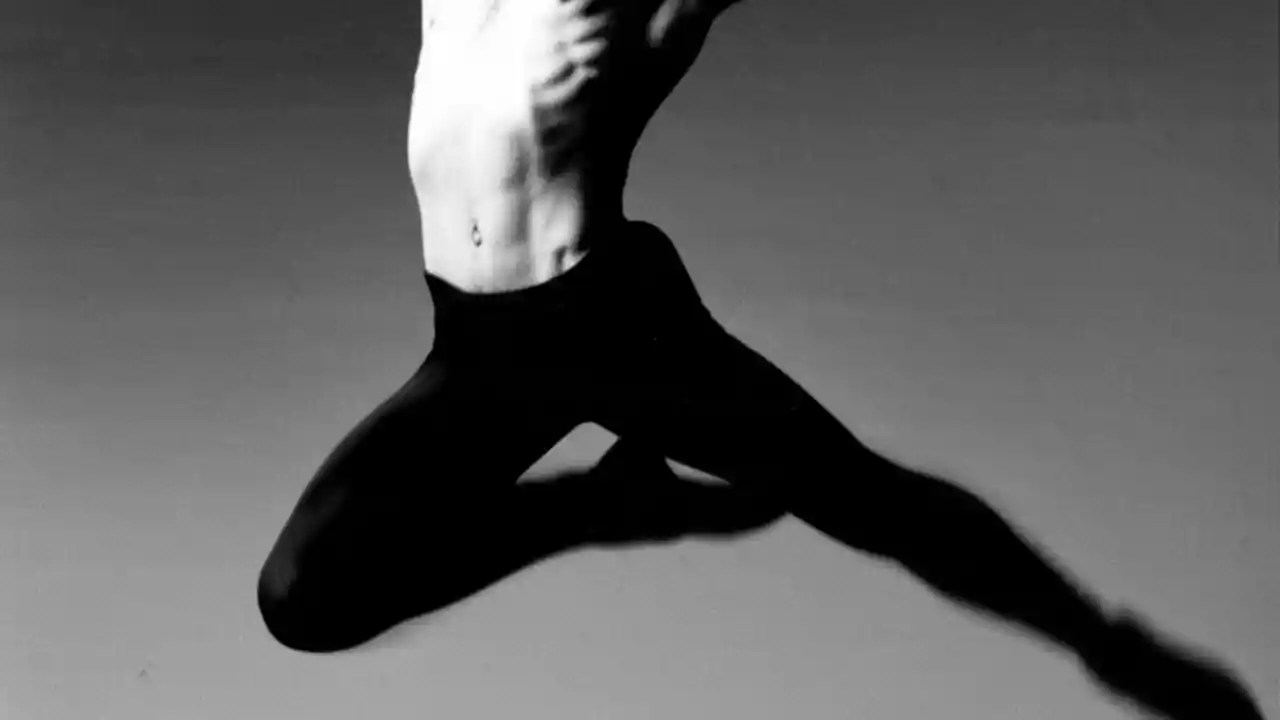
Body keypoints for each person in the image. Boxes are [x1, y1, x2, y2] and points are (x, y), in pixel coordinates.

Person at [255, 1, 1265, 717]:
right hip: (474, 345)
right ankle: (601, 513)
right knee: (306, 597)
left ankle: (1108, 648)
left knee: (862, 499)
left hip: (606, 319)